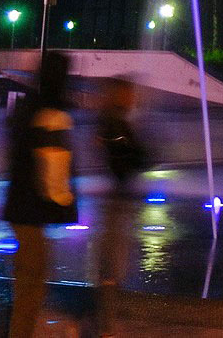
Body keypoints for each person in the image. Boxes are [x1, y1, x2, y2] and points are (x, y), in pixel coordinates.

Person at [5, 50, 77, 338]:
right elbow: (55, 166)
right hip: (30, 209)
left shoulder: (29, 106)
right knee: (32, 283)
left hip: (21, 206)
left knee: (29, 281)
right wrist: (66, 203)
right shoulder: (51, 113)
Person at [93, 79, 150, 337]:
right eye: (129, 94)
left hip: (118, 196)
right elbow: (130, 155)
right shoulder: (114, 122)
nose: (133, 99)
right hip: (117, 198)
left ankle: (107, 320)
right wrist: (141, 155)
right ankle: (106, 323)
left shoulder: (113, 120)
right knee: (112, 263)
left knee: (114, 262)